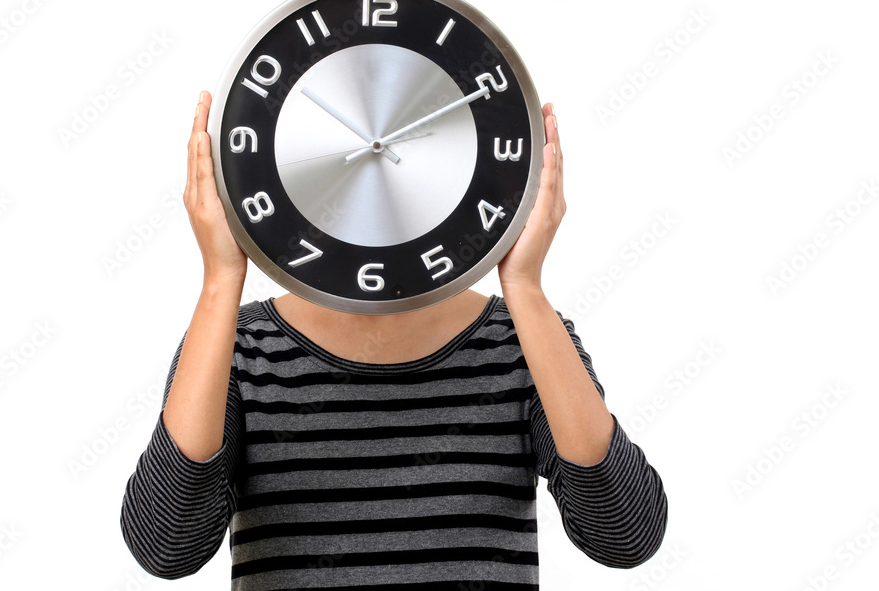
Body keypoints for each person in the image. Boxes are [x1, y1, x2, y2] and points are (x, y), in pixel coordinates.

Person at [120, 90, 669, 588]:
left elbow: (624, 536)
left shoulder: (524, 341)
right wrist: (220, 281)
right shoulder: (241, 347)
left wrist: (524, 286)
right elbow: (167, 547)